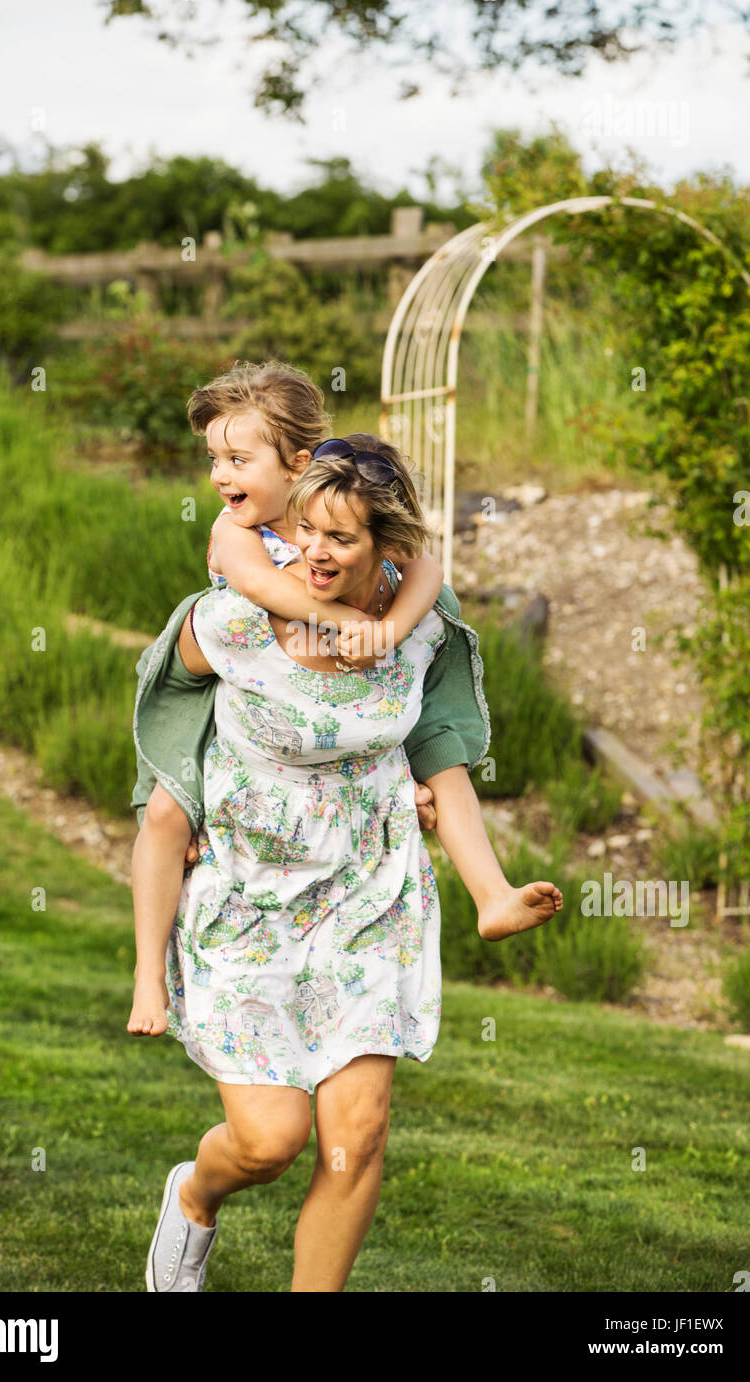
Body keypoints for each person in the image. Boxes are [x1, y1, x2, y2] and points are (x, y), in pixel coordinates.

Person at [133, 416, 563, 1293]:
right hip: (248, 899)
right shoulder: (236, 619)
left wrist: (492, 891)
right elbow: (164, 693)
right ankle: (196, 1195)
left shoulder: (420, 625)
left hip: (371, 894)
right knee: (269, 1141)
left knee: (355, 1135)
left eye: (341, 538)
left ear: (386, 545)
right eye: (307, 532)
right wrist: (176, 803)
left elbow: (443, 756)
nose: (318, 553)